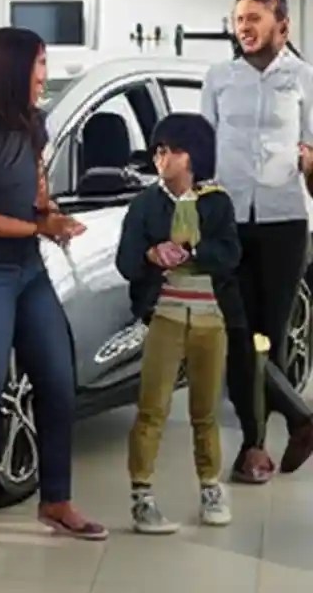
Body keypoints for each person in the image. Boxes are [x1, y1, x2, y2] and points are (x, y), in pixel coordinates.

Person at [0, 26, 106, 543]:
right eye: (39, 64)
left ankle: (56, 500)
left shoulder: (34, 124)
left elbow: (36, 190)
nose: (45, 75)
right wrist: (41, 227)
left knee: (58, 382)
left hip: (29, 271)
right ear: (13, 68)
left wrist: (52, 215)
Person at [200, 0, 313, 483]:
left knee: (270, 334)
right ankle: (296, 421)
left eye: (253, 19)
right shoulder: (219, 79)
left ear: (282, 26)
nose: (242, 27)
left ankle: (254, 449)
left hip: (285, 221)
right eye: (237, 19)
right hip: (228, 224)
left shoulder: (305, 80)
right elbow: (202, 150)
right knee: (238, 333)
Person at [116, 114, 241, 533]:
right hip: (166, 315)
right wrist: (151, 256)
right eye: (157, 150)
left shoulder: (217, 201)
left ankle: (210, 486)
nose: (161, 158)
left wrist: (192, 252)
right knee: (152, 407)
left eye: (171, 150)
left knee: (205, 411)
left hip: (211, 319)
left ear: (193, 157)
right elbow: (125, 261)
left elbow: (230, 255)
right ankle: (142, 496)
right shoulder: (145, 204)